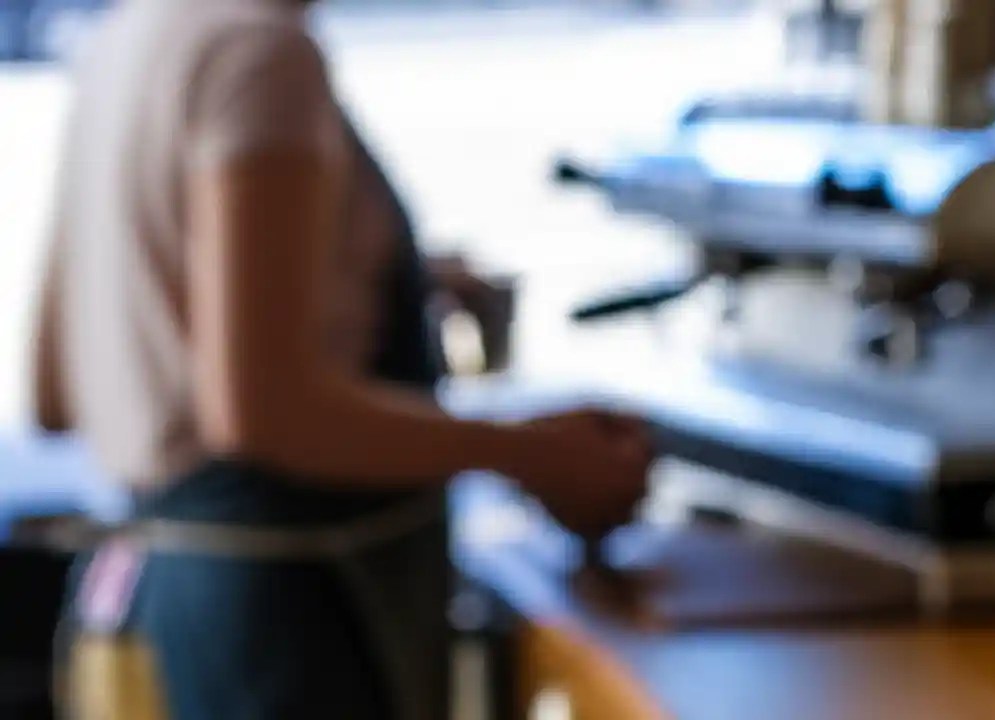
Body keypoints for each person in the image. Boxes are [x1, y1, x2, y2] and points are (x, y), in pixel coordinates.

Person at [29, 0, 652, 718]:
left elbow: (53, 392)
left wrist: (366, 277)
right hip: (287, 621)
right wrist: (536, 454)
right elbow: (263, 413)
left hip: (157, 598)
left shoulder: (127, 37)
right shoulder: (259, 56)